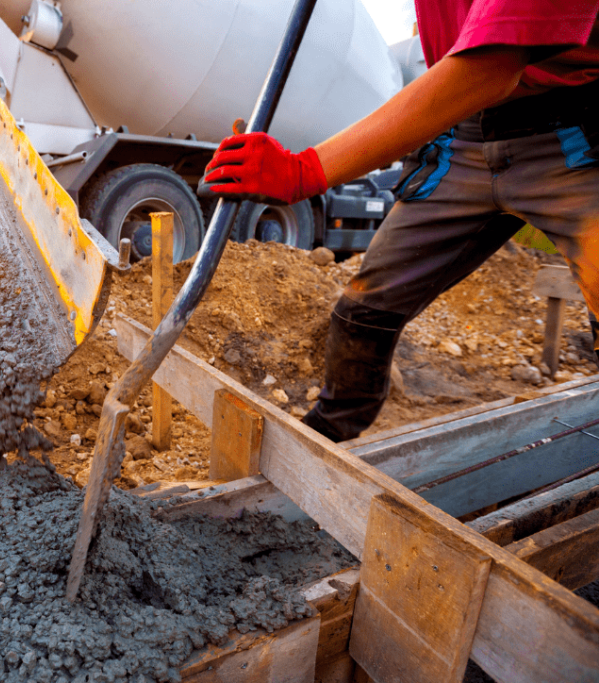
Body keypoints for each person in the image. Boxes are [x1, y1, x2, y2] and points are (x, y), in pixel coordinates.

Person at [202, 0, 599, 443]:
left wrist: (304, 171)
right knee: (364, 309)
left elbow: (493, 63)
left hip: (575, 132)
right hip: (461, 133)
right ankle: (329, 440)